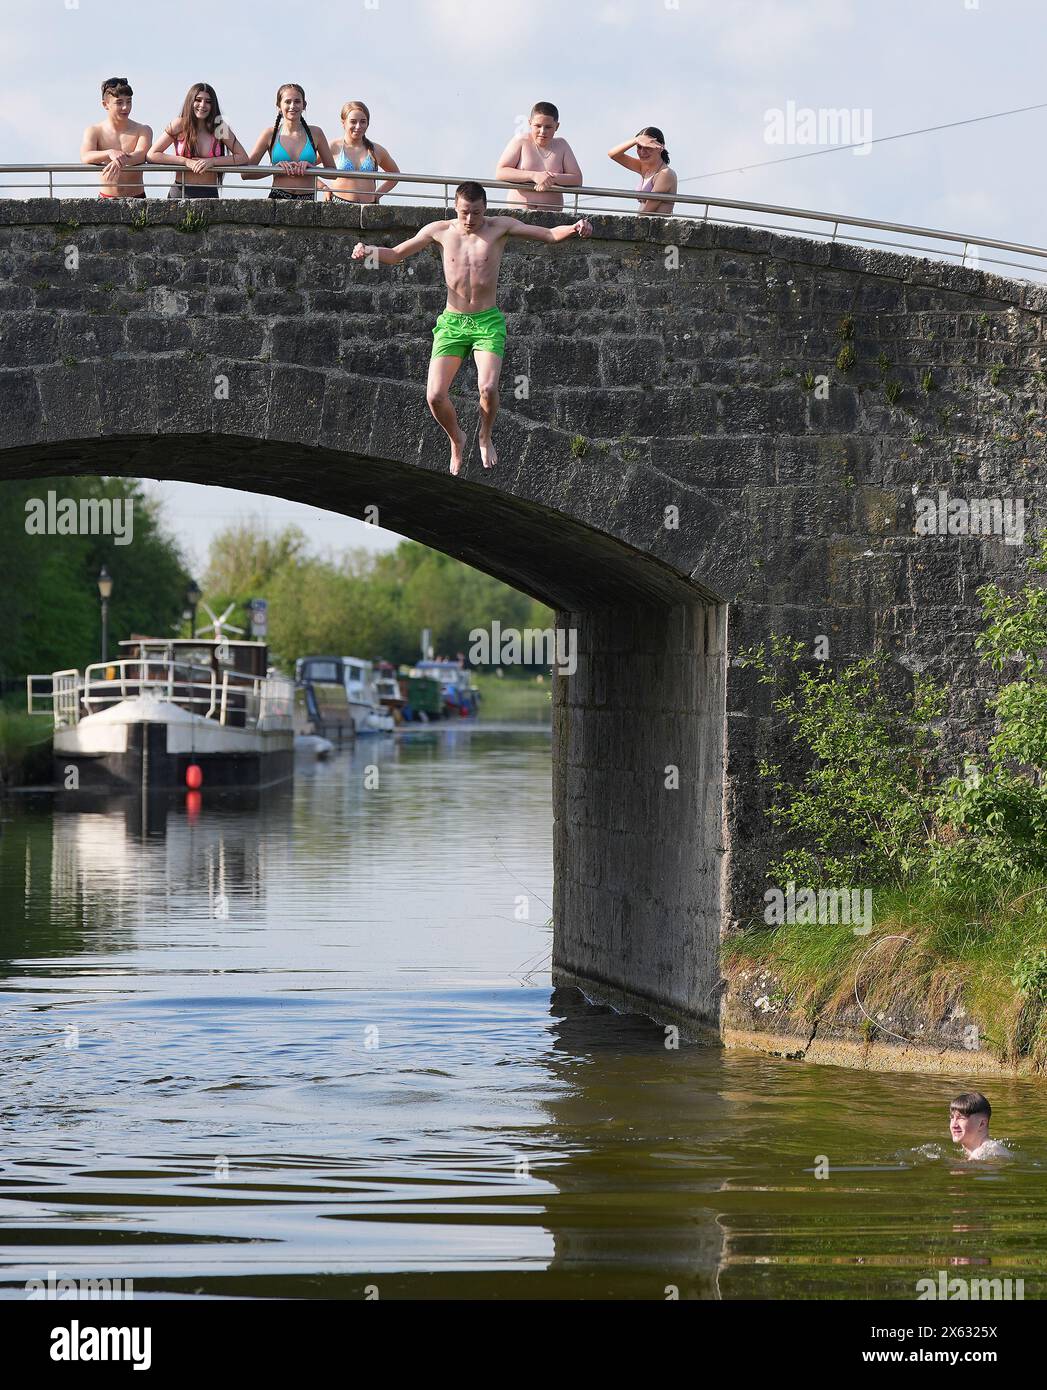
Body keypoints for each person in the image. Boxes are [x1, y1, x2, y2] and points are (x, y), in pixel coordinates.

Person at [352, 182, 592, 476]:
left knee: (488, 388)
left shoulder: (499, 227)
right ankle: (457, 439)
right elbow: (398, 254)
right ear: (456, 207)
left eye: (476, 214)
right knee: (435, 396)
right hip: (452, 323)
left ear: (485, 209)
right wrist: (369, 250)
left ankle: (484, 435)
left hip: (486, 321)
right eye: (465, 213)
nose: (470, 220)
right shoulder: (439, 230)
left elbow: (548, 235)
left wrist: (575, 227)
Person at [147, 83, 250, 199]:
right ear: (190, 101)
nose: (203, 105)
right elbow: (152, 155)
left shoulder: (219, 127)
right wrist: (186, 162)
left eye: (208, 101)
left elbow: (243, 157)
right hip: (181, 190)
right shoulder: (179, 124)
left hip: (209, 192)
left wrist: (212, 161)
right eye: (198, 100)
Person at [243, 83, 334, 200]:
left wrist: (312, 168)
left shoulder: (316, 133)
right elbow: (245, 174)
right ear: (279, 106)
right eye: (287, 102)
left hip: (308, 201)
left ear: (304, 105)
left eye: (297, 101)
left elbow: (333, 173)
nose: (292, 106)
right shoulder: (269, 134)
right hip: (278, 197)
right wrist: (275, 168)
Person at [494, 101, 583, 211]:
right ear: (530, 123)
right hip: (519, 214)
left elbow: (577, 178)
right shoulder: (521, 140)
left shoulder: (562, 145)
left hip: (552, 216)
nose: (542, 131)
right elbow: (501, 172)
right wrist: (533, 176)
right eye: (538, 126)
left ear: (557, 126)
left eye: (548, 127)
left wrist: (551, 178)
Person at [80, 77, 152, 199]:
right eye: (119, 103)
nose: (125, 107)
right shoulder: (94, 131)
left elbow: (141, 155)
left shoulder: (143, 130)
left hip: (137, 197)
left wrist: (118, 160)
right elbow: (85, 156)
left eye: (129, 101)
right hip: (106, 197)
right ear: (105, 104)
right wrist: (110, 153)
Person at [319, 101, 400, 205]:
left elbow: (395, 174)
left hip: (369, 207)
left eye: (362, 122)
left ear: (367, 123)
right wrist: (323, 187)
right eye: (353, 122)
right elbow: (307, 168)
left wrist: (378, 194)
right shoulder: (333, 147)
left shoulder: (377, 150)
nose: (358, 126)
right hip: (338, 204)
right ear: (343, 122)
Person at [607, 126, 677, 216]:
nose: (642, 152)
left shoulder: (666, 173)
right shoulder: (643, 167)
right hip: (645, 224)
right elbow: (613, 154)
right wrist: (636, 140)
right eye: (639, 147)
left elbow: (647, 210)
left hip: (656, 227)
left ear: (661, 146)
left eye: (647, 147)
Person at [949, 1092, 1012, 1161]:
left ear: (982, 1124)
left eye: (961, 1118)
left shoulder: (985, 1153)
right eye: (952, 1118)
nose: (954, 1125)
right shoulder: (987, 1150)